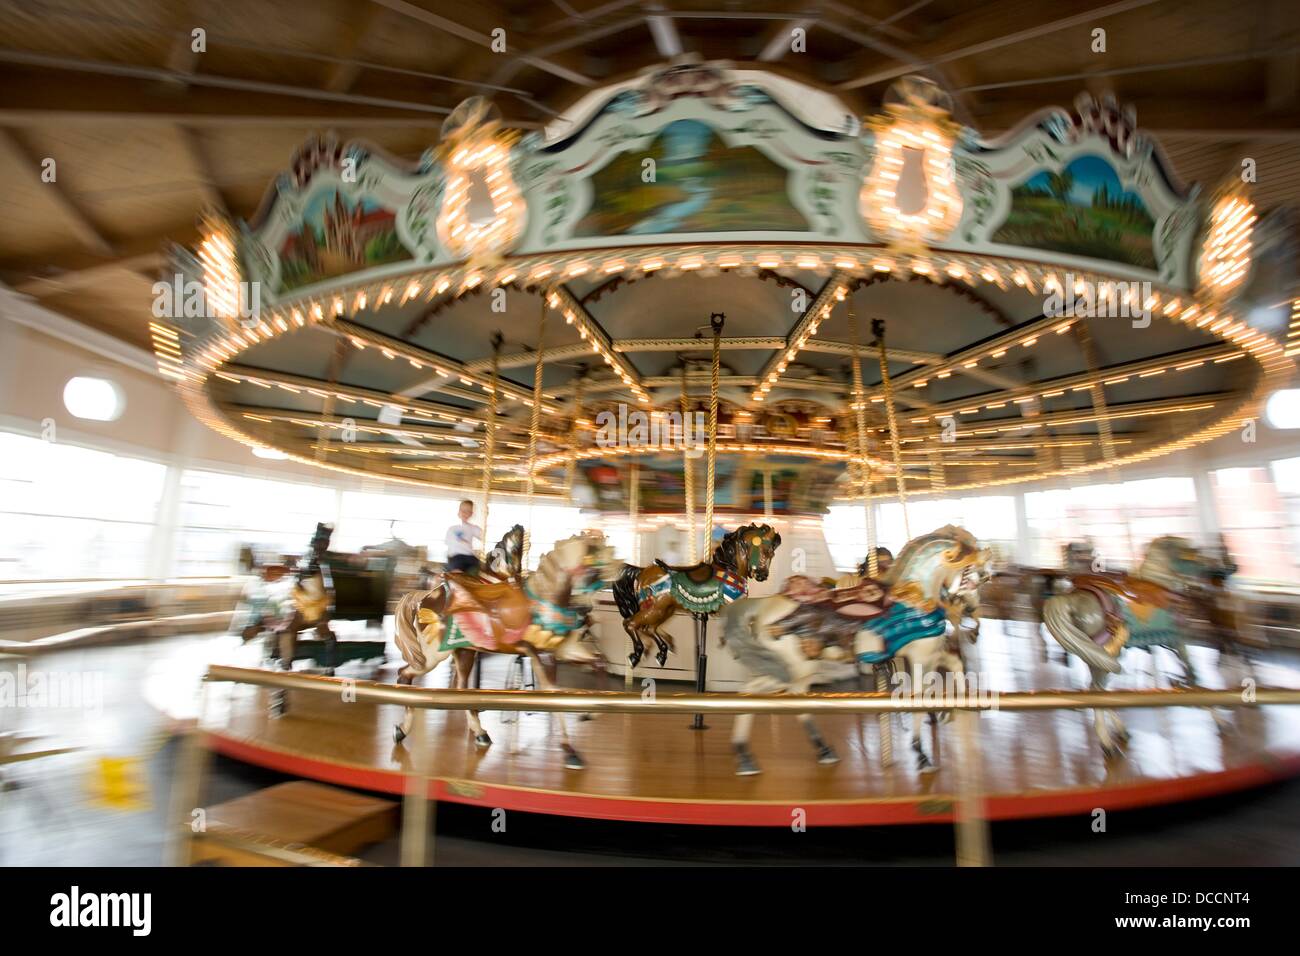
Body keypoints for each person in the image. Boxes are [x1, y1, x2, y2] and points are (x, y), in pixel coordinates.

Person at [445, 499, 484, 574]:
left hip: (470, 557)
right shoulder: (452, 528)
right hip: (456, 557)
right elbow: (449, 544)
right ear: (458, 512)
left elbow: (482, 536)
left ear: (471, 514)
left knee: (481, 570)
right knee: (456, 570)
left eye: (468, 511)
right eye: (463, 510)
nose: (465, 513)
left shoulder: (473, 528)